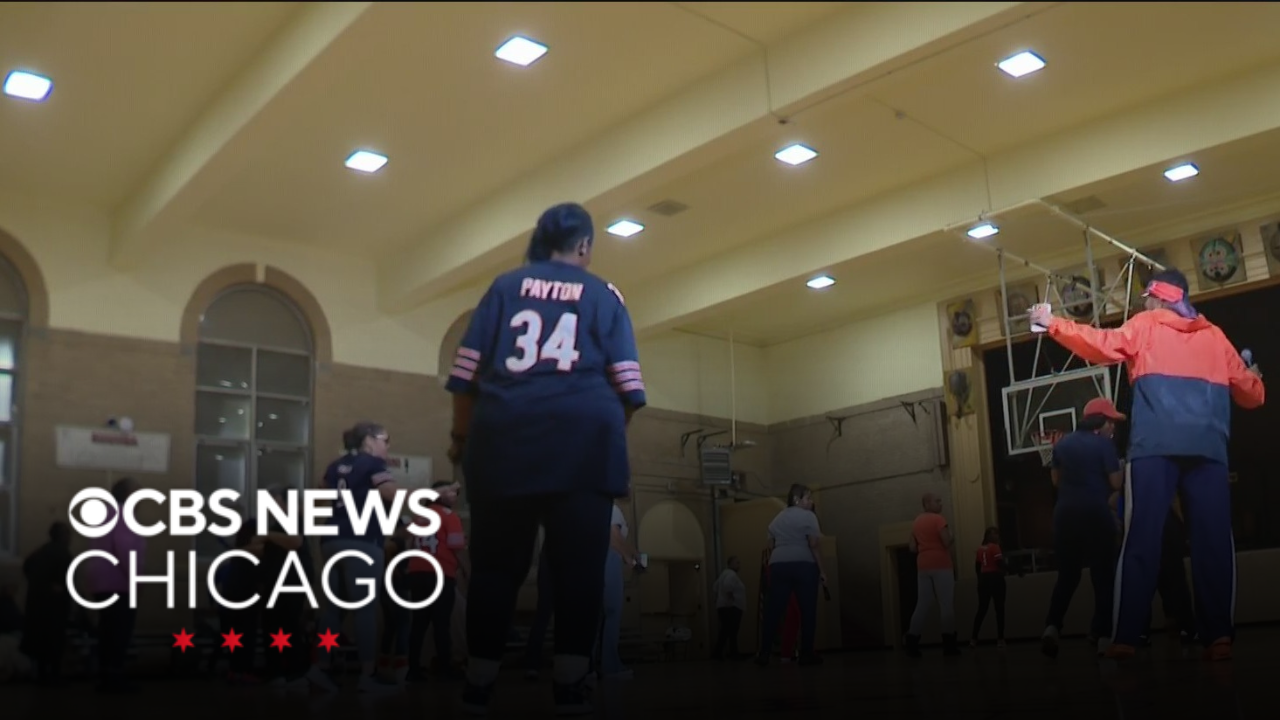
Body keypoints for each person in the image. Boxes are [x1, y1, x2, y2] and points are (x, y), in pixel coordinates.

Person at [444, 202, 647, 715]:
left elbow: (465, 375)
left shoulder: (504, 287)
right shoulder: (604, 295)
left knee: (494, 570)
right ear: (584, 246)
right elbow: (627, 388)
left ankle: (480, 681)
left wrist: (461, 440)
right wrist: (603, 438)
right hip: (583, 445)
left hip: (504, 442)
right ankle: (571, 680)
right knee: (578, 571)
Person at [1030, 268, 1263, 661]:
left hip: (1154, 448)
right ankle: (1219, 635)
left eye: (1147, 299)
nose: (1145, 305)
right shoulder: (1216, 337)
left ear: (1160, 297)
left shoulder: (1146, 326)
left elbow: (1101, 344)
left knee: (1141, 540)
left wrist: (1052, 323)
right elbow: (1252, 397)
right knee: (1212, 543)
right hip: (1207, 449)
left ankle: (1125, 637)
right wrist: (1255, 376)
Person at [308, 422, 401, 692]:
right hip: (361, 541)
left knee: (334, 610)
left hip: (331, 539)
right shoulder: (373, 464)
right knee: (365, 610)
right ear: (369, 441)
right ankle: (367, 675)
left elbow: (321, 493)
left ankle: (319, 667)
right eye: (385, 440)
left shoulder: (335, 465)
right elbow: (391, 494)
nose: (387, 445)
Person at [1040, 398, 1124, 659]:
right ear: (1101, 421)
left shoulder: (1062, 443)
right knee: (1103, 576)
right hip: (1095, 515)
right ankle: (1103, 637)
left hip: (1065, 516)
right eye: (1111, 422)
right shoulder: (1104, 445)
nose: (1113, 427)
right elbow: (1116, 483)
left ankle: (1052, 627)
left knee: (1068, 576)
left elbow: (1055, 481)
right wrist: (1119, 469)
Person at [755, 484, 825, 667]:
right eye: (808, 498)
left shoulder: (778, 518)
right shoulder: (809, 516)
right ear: (797, 500)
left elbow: (770, 544)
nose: (811, 502)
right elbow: (814, 544)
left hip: (778, 565)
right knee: (808, 611)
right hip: (804, 564)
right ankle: (807, 653)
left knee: (773, 611)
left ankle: (764, 653)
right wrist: (822, 570)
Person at [406, 480, 469, 682]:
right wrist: (467, 569)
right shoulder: (450, 517)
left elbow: (409, 544)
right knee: (442, 623)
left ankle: (413, 669)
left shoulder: (419, 516)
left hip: (417, 572)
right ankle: (445, 668)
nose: (455, 497)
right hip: (441, 572)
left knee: (419, 623)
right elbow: (456, 546)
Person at [88, 477, 145, 693]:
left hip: (102, 582)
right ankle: (115, 678)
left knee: (107, 631)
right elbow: (126, 550)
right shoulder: (124, 517)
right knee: (120, 633)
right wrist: (137, 579)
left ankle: (105, 676)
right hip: (119, 582)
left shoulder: (106, 515)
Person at [259, 485, 311, 686]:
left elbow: (294, 542)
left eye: (274, 499)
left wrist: (267, 536)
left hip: (292, 581)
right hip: (274, 582)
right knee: (272, 626)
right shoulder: (274, 525)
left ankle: (296, 672)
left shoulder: (294, 519)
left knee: (289, 625)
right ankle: (276, 671)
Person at [905, 492, 959, 657]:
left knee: (922, 603)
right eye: (937, 501)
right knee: (946, 604)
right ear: (927, 503)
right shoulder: (939, 520)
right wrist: (952, 537)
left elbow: (912, 548)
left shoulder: (916, 522)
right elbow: (946, 541)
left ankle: (912, 641)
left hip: (922, 565)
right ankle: (949, 645)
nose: (940, 504)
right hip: (941, 564)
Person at [21, 522, 73, 683]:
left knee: (41, 641)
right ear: (64, 536)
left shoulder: (40, 552)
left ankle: (42, 673)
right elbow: (68, 580)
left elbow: (26, 567)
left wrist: (39, 585)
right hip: (56, 606)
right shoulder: (63, 554)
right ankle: (54, 674)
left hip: (37, 604)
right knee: (55, 641)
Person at [597, 499, 641, 681]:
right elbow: (614, 536)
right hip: (609, 561)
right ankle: (610, 665)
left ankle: (590, 667)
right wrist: (630, 559)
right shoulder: (612, 508)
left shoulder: (594, 508)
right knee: (612, 612)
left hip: (593, 560)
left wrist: (634, 553)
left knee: (596, 618)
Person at [970, 526, 1007, 649]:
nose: (997, 536)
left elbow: (977, 566)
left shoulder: (980, 549)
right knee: (999, 609)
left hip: (984, 579)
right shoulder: (995, 547)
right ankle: (1000, 639)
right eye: (995, 534)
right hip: (996, 578)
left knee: (982, 609)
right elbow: (999, 563)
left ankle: (974, 638)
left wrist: (980, 580)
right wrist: (1013, 570)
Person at [711, 556, 746, 661]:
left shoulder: (723, 574)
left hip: (723, 606)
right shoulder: (731, 575)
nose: (739, 565)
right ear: (730, 564)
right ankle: (733, 653)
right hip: (731, 607)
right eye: (737, 563)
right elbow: (727, 586)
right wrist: (730, 600)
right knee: (732, 631)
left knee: (726, 631)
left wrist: (719, 599)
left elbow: (715, 587)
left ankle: (720, 653)